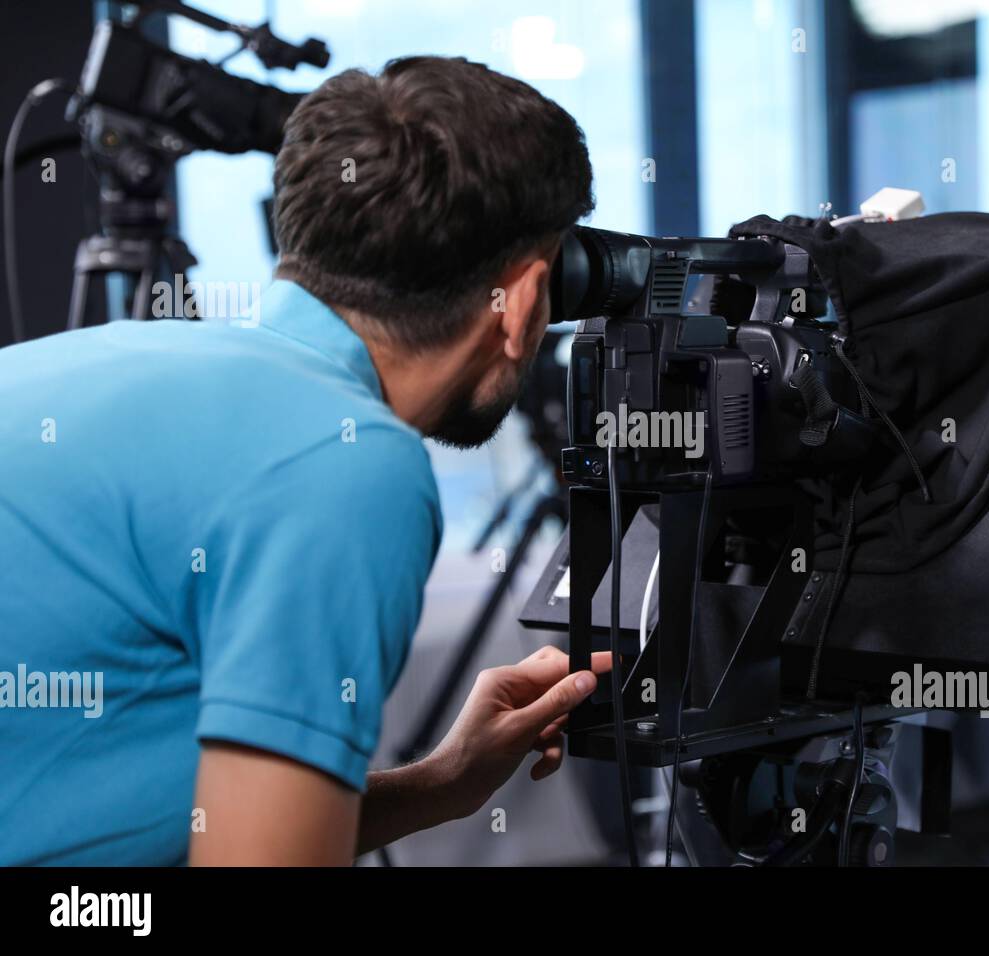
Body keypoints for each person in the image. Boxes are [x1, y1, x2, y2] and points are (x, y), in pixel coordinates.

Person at [0, 55, 607, 865]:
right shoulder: (346, 466)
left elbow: (230, 828)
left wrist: (443, 782)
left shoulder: (91, 364)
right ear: (523, 300)